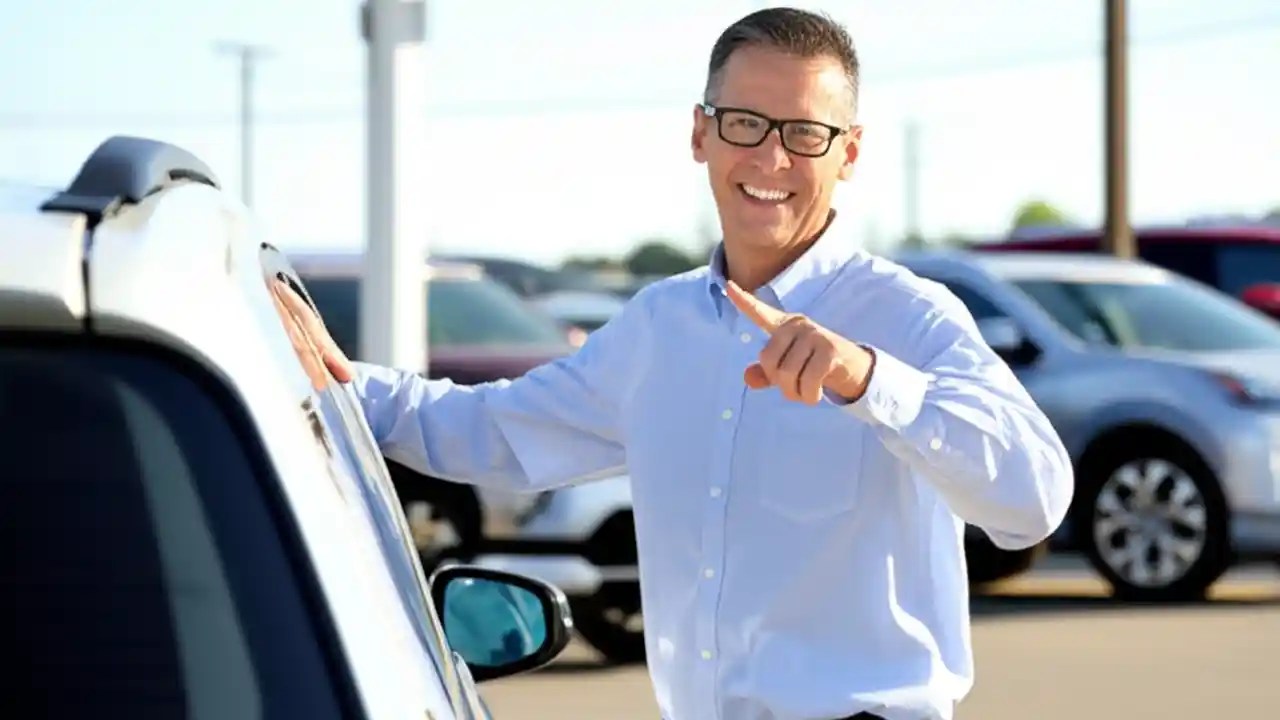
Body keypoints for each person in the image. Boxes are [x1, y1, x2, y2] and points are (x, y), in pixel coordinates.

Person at [272, 7, 1073, 719]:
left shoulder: (909, 317)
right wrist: (321, 372)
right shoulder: (659, 326)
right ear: (701, 134)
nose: (771, 159)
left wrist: (869, 381)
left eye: (805, 133)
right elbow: (490, 431)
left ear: (849, 153)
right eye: (745, 125)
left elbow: (1034, 501)